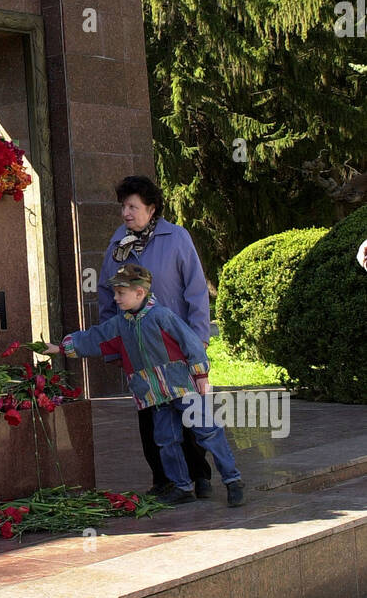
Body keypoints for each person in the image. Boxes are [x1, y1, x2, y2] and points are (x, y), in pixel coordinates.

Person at [47, 265, 245, 507]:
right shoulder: (121, 323)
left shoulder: (162, 316)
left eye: (121, 293)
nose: (116, 298)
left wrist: (201, 374)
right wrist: (62, 348)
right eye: (115, 293)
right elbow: (95, 337)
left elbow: (190, 342)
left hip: (182, 388)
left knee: (207, 431)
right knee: (165, 439)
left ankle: (233, 480)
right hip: (153, 394)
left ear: (140, 293)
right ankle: (181, 486)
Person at [98, 175, 213, 497]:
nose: (126, 213)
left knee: (186, 413)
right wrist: (112, 347)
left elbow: (195, 289)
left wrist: (199, 339)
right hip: (138, 348)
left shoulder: (176, 237)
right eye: (123, 206)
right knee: (150, 416)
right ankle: (163, 480)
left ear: (151, 209)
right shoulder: (117, 243)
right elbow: (107, 297)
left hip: (176, 345)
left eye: (133, 207)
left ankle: (200, 477)